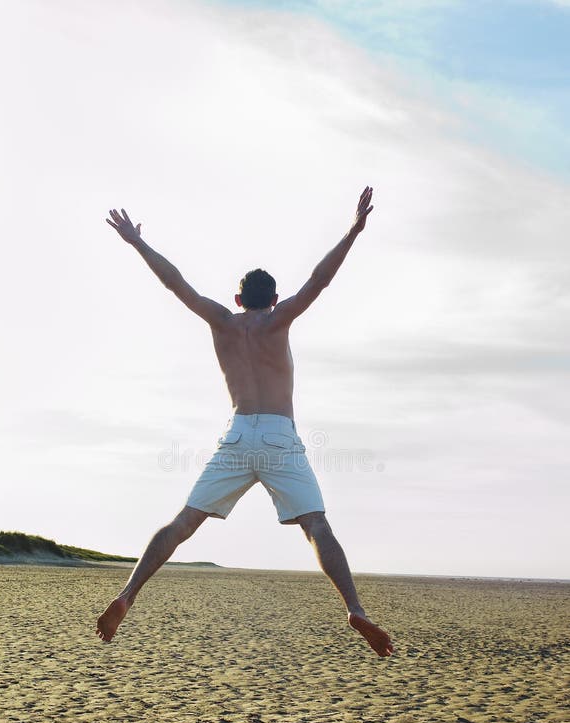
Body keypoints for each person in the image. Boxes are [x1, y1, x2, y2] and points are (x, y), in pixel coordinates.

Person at [97, 187, 393, 658]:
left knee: (183, 522)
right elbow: (320, 281)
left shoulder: (222, 321)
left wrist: (137, 243)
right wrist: (353, 230)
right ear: (274, 299)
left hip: (237, 433)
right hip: (278, 433)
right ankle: (354, 608)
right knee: (317, 526)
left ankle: (128, 594)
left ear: (238, 298)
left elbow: (177, 284)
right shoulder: (278, 322)